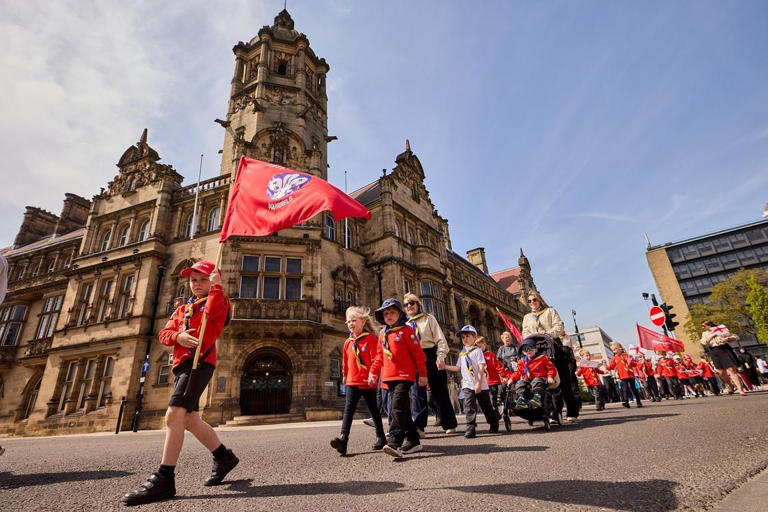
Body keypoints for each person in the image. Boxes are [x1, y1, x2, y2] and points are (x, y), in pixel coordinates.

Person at [123, 261, 237, 506]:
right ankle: (224, 457)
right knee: (190, 419)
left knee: (174, 415)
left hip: (200, 363)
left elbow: (214, 313)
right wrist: (179, 336)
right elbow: (164, 334)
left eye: (202, 279)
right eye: (193, 280)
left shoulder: (219, 300)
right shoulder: (183, 309)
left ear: (213, 280)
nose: (197, 284)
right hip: (181, 365)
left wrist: (217, 288)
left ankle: (165, 477)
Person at [371, 298, 427, 458]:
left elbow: (419, 355)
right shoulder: (383, 334)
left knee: (396, 407)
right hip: (388, 377)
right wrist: (373, 372)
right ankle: (414, 441)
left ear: (400, 314)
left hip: (404, 375)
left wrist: (422, 374)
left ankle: (394, 442)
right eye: (385, 313)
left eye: (392, 312)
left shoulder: (407, 331)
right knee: (402, 410)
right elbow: (379, 357)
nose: (388, 315)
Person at [330, 306, 386, 455]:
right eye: (348, 321)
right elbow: (345, 361)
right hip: (352, 382)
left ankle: (381, 437)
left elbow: (376, 359)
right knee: (348, 411)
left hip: (367, 382)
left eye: (354, 320)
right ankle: (343, 440)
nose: (350, 324)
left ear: (363, 321)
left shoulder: (370, 339)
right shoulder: (348, 342)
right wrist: (344, 375)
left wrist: (373, 375)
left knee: (374, 410)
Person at [521, 291, 580, 422]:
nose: (532, 303)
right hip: (537, 349)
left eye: (534, 300)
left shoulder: (550, 311)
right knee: (544, 381)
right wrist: (532, 336)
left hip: (553, 345)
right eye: (529, 301)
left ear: (540, 300)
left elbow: (559, 326)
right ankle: (552, 411)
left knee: (562, 380)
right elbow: (524, 332)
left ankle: (572, 411)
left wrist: (547, 333)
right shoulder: (527, 317)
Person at [403, 293, 457, 435]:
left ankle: (449, 423)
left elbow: (440, 339)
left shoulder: (428, 318)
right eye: (406, 304)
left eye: (412, 303)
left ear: (418, 304)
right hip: (414, 358)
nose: (409, 306)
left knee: (440, 390)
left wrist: (440, 356)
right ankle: (419, 427)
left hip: (430, 354)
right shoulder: (405, 325)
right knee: (417, 393)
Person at [444, 325, 499, 438]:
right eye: (463, 337)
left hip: (480, 385)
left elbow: (481, 368)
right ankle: (470, 428)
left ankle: (493, 423)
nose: (465, 339)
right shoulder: (462, 353)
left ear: (474, 337)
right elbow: (458, 368)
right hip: (467, 384)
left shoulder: (477, 351)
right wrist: (445, 366)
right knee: (469, 406)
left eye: (468, 336)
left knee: (486, 406)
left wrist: (478, 383)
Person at [509, 337, 557, 410]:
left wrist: (550, 376)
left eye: (531, 348)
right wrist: (511, 378)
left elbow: (551, 369)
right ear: (523, 352)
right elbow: (518, 372)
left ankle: (537, 398)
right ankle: (522, 399)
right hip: (528, 380)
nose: (528, 351)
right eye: (525, 349)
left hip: (541, 379)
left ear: (536, 349)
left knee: (537, 380)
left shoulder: (543, 358)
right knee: (520, 383)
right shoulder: (522, 361)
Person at [699, 321, 746, 396]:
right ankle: (730, 385)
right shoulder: (705, 333)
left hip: (725, 349)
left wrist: (727, 339)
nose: (703, 328)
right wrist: (713, 335)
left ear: (709, 325)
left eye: (703, 326)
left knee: (731, 370)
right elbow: (704, 342)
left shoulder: (721, 329)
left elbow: (736, 336)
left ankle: (740, 389)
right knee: (721, 372)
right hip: (714, 351)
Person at [604, 343, 642, 408]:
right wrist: (607, 369)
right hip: (622, 375)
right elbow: (612, 365)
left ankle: (638, 402)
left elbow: (635, 364)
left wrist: (631, 362)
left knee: (633, 388)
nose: (614, 351)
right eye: (613, 350)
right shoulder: (615, 358)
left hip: (630, 375)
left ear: (620, 348)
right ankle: (626, 402)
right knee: (625, 389)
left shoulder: (627, 355)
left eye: (615, 349)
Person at [476, 336, 505, 414]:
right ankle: (490, 413)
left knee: (493, 399)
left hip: (492, 381)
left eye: (480, 346)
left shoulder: (490, 355)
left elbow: (498, 366)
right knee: (486, 400)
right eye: (477, 347)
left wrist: (502, 375)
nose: (478, 348)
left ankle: (495, 413)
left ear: (484, 344)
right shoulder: (476, 356)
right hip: (482, 382)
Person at [496, 331, 518, 430]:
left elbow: (521, 358)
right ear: (502, 339)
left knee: (515, 387)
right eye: (505, 337)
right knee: (503, 386)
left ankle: (515, 404)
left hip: (516, 371)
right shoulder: (501, 349)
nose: (507, 339)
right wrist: (501, 375)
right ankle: (503, 403)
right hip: (505, 372)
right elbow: (498, 362)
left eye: (508, 337)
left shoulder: (515, 347)